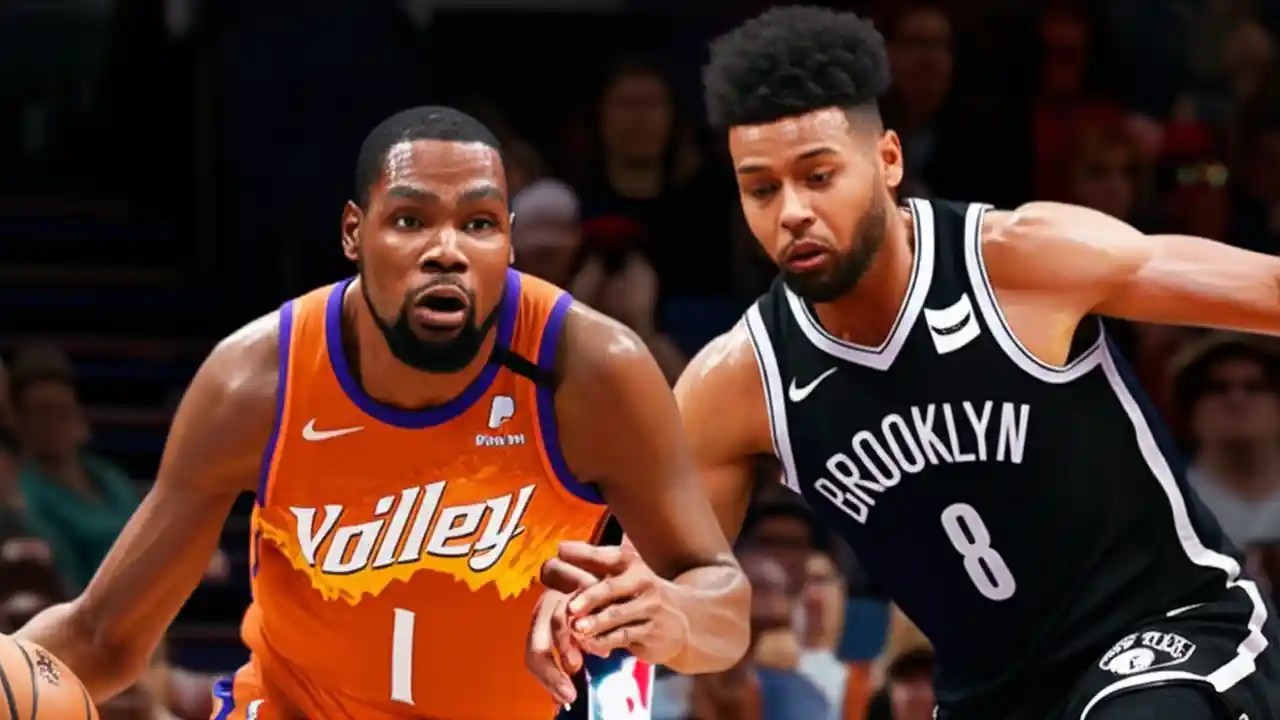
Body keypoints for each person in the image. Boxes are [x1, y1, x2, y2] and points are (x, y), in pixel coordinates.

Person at [555, 6, 1280, 720]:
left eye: (818, 175)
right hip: (989, 696)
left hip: (1172, 631)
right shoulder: (738, 381)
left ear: (889, 160)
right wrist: (665, 620)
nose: (792, 212)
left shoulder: (1017, 261)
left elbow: (1267, 289)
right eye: (762, 188)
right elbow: (708, 615)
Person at [17, 106, 749, 719]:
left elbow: (723, 600)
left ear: (509, 240)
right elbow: (103, 637)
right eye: (409, 220)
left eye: (480, 224)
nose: (446, 251)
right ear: (352, 232)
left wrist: (674, 615)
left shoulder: (591, 372)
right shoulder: (257, 383)